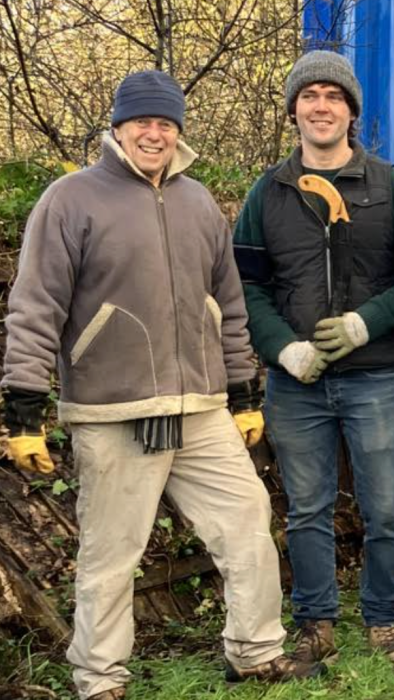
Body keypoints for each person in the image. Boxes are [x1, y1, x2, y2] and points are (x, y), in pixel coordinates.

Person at [2, 70, 326, 700]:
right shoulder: (71, 199)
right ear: (118, 127)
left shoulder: (198, 201)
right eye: (142, 122)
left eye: (166, 123)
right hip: (113, 410)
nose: (155, 133)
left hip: (201, 409)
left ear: (179, 131)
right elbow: (35, 304)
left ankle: (255, 651)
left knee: (246, 522)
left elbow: (228, 303)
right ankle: (99, 680)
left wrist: (242, 392)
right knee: (111, 554)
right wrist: (22, 406)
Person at [233, 51, 394, 666]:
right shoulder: (268, 193)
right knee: (306, 509)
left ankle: (384, 621)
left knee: (387, 506)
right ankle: (315, 624)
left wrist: (363, 323)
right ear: (294, 109)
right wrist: (283, 348)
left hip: (376, 376)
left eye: (334, 96)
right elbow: (246, 286)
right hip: (297, 386)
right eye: (310, 95)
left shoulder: (391, 186)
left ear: (351, 111)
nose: (321, 106)